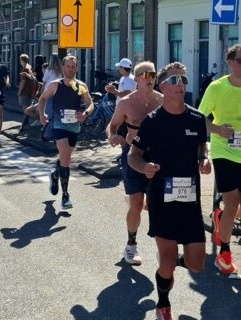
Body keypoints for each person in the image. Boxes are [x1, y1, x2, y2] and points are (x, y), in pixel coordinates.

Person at [128, 62, 210, 320]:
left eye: (184, 80)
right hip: (161, 197)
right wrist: (145, 167)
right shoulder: (152, 122)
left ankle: (172, 261)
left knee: (197, 264)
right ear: (163, 86)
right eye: (174, 81)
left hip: (190, 199)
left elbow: (201, 147)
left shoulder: (196, 119)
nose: (181, 85)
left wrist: (204, 159)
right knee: (166, 261)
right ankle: (163, 302)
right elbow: (133, 156)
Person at [198, 43, 241, 275]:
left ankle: (221, 218)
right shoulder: (216, 88)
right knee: (232, 202)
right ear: (230, 62)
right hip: (223, 151)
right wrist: (217, 130)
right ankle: (224, 253)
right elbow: (199, 118)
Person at [106, 61, 163, 266]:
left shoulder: (163, 101)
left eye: (153, 75)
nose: (150, 79)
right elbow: (112, 126)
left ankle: (164, 249)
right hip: (132, 155)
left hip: (156, 158)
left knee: (159, 205)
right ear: (137, 79)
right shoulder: (126, 103)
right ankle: (131, 245)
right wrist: (113, 137)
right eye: (145, 75)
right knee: (137, 205)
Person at [37, 55, 93, 211]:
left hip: (74, 126)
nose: (70, 69)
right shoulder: (55, 85)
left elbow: (90, 104)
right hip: (58, 125)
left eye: (73, 67)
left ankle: (55, 175)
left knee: (65, 159)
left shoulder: (80, 86)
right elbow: (42, 99)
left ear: (76, 68)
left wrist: (85, 114)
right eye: (67, 66)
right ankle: (66, 196)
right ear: (63, 68)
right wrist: (42, 115)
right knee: (66, 159)